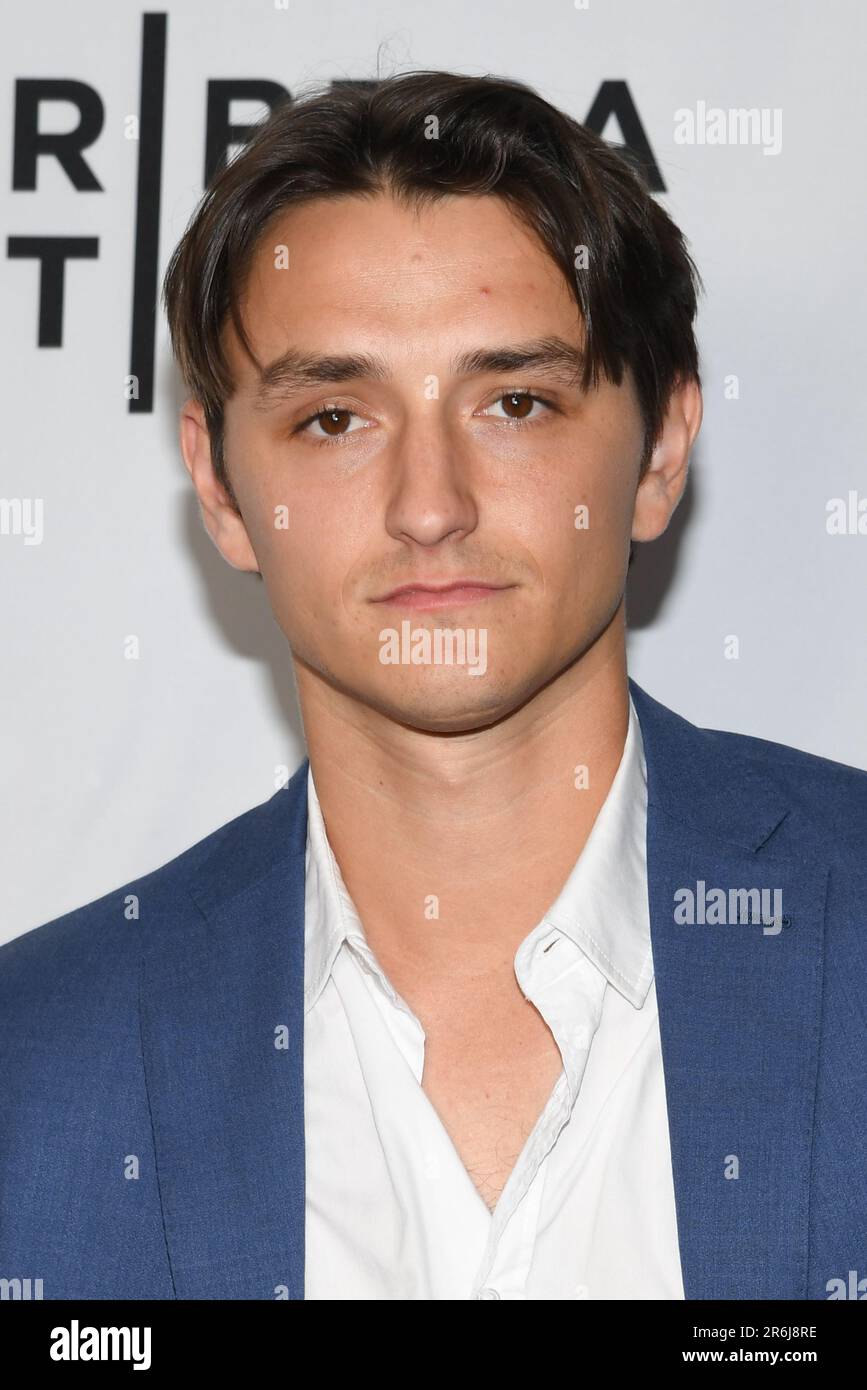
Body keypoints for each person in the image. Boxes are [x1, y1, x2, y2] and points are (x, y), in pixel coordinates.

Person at [1, 71, 864, 1302]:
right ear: (221, 486)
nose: (429, 506)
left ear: (662, 449)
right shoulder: (34, 1071)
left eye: (514, 402)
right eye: (336, 418)